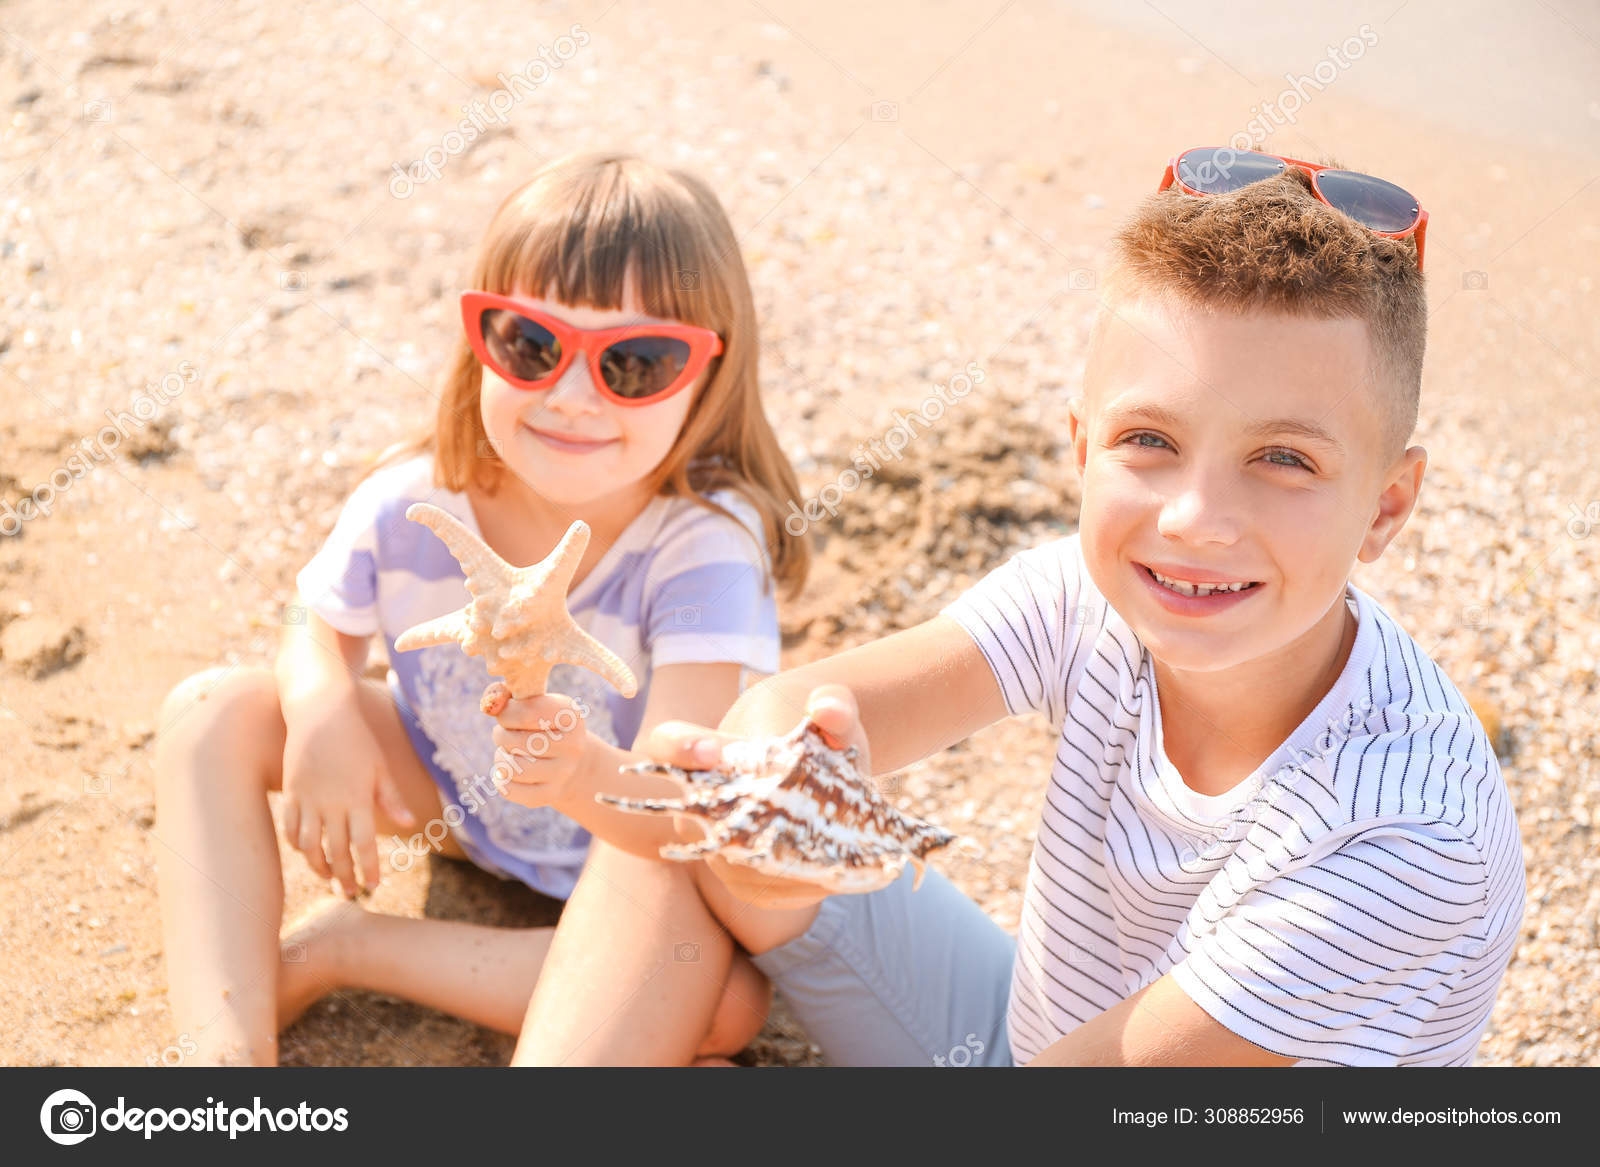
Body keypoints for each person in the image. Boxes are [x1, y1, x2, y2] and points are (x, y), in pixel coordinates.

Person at [514, 151, 1526, 1067]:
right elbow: (791, 709)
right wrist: (788, 792)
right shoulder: (1090, 594)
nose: (1194, 519)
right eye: (1150, 441)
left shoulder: (1407, 837)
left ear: (1386, 506)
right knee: (708, 802)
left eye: (1284, 459)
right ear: (1081, 448)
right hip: (1019, 1040)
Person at [153, 152, 808, 1065]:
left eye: (636, 361)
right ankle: (224, 1056)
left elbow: (683, 805)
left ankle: (348, 945)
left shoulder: (701, 548)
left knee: (724, 1003)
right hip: (460, 796)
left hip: (629, 865)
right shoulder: (414, 501)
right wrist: (325, 711)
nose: (573, 395)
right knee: (212, 712)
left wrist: (579, 771)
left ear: (705, 375)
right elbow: (316, 619)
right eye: (533, 345)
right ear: (479, 339)